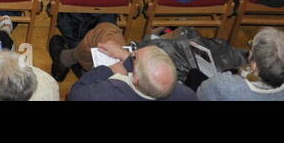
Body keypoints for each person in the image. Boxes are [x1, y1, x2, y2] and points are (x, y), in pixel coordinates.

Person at [66, 38, 195, 101]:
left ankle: (65, 57)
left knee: (106, 31)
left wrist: (108, 70)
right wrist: (125, 55)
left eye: (134, 56)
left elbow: (73, 94)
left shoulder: (105, 93)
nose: (132, 53)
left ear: (136, 79)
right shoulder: (187, 95)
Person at [197, 27, 284, 101]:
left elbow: (200, 95)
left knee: (194, 74)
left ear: (255, 65)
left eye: (251, 47)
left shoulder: (224, 84)